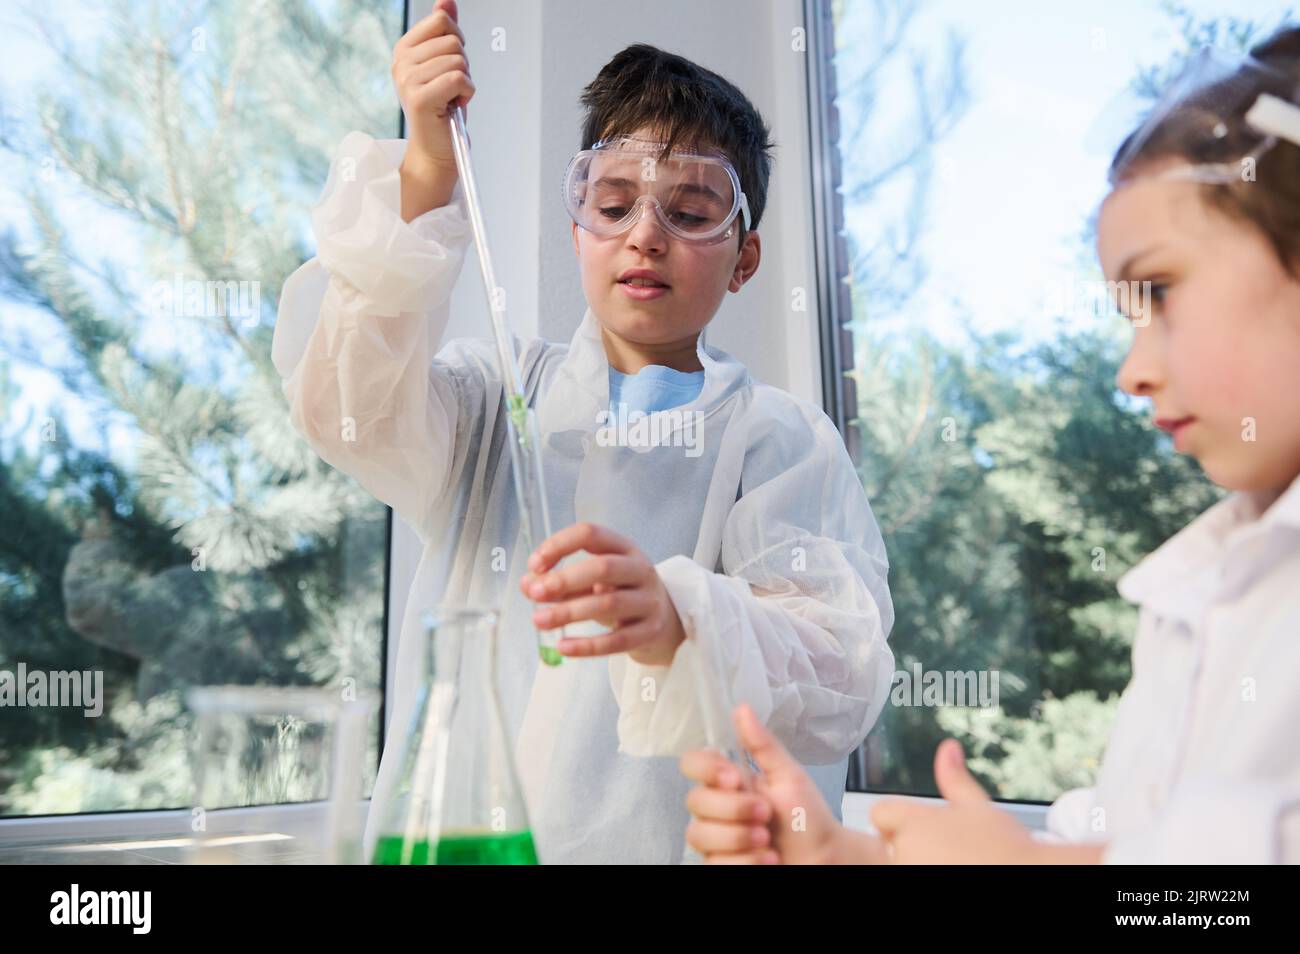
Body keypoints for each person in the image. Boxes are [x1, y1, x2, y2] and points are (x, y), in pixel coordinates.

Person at [271, 0, 894, 863]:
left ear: (744, 257)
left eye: (692, 210)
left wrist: (680, 614)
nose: (645, 235)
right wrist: (424, 166)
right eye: (613, 204)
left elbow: (840, 675)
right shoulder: (494, 401)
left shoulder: (779, 442)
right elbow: (348, 405)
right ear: (578, 229)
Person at [681, 26, 1300, 865]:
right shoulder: (1206, 589)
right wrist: (844, 855)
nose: (1132, 371)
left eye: (1159, 291)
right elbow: (1136, 855)